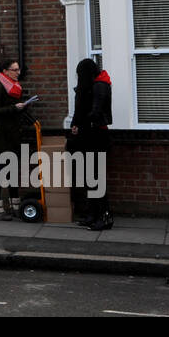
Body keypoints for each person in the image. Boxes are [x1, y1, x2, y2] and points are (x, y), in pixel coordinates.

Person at [69, 58, 114, 230]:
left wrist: (80, 125)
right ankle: (93, 214)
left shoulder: (100, 86)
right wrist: (76, 125)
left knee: (96, 179)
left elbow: (95, 112)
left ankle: (105, 216)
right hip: (91, 136)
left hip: (97, 137)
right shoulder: (93, 85)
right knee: (91, 179)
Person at [0, 58, 28, 221]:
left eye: (18, 69)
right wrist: (14, 108)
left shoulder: (15, 88)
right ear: (5, 71)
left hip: (13, 135)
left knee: (12, 172)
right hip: (2, 136)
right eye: (15, 70)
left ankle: (15, 206)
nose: (18, 72)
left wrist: (22, 107)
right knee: (0, 172)